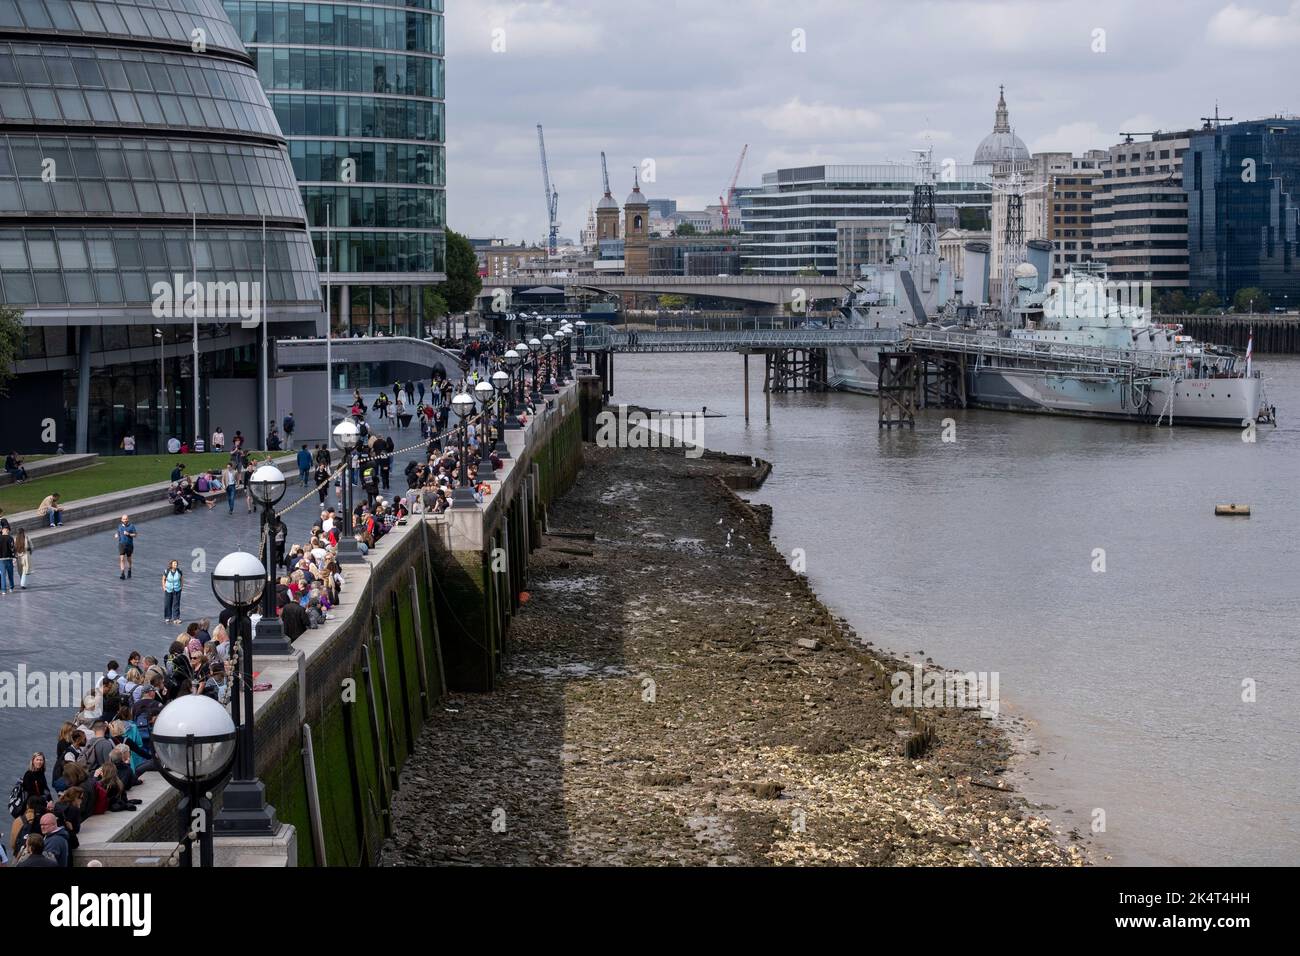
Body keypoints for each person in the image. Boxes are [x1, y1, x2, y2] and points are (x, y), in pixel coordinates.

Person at [115, 514, 137, 579]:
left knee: (129, 559)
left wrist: (129, 534)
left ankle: (129, 569)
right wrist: (116, 535)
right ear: (121, 520)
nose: (125, 520)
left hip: (129, 545)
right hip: (121, 544)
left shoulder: (131, 526)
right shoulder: (120, 526)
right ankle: (122, 573)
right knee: (121, 559)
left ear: (128, 519)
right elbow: (118, 532)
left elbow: (135, 535)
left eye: (126, 519)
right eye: (124, 519)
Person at [162, 559, 183, 624]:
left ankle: (176, 618)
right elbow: (163, 579)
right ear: (171, 564)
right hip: (168, 589)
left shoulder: (179, 571)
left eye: (176, 564)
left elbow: (181, 579)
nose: (175, 565)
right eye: (174, 564)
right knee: (167, 603)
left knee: (176, 604)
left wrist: (181, 586)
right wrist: (164, 587)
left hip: (177, 589)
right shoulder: (167, 571)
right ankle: (167, 617)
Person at [0, 525, 14, 596]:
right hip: (9, 559)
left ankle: (3, 590)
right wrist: (14, 557)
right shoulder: (10, 538)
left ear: (2, 530)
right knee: (10, 574)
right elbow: (12, 549)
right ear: (8, 531)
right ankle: (11, 588)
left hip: (1, 560)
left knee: (2, 575)